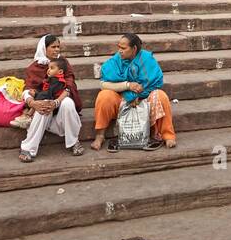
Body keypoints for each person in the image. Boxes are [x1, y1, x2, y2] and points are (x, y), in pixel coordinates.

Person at [92, 33, 175, 151]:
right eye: (119, 47)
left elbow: (156, 82)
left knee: (161, 96)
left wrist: (137, 95)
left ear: (134, 49)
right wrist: (127, 87)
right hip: (122, 99)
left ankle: (167, 135)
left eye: (123, 48)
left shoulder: (146, 59)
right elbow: (104, 84)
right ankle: (100, 135)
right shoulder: (116, 60)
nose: (119, 51)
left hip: (144, 99)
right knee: (104, 95)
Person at [19, 34, 84, 162]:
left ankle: (73, 142)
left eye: (58, 47)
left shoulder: (63, 64)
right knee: (43, 104)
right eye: (53, 47)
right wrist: (33, 103)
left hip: (61, 116)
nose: (57, 50)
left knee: (68, 103)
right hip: (44, 115)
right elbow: (27, 90)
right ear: (44, 48)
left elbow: (69, 84)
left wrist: (56, 102)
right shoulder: (34, 68)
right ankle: (28, 148)